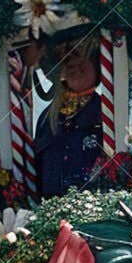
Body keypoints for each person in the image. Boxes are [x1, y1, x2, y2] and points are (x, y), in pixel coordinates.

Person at [33, 34, 107, 196]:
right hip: (49, 205)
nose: (75, 70)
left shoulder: (106, 113)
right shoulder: (47, 117)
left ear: (96, 69)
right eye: (69, 65)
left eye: (81, 64)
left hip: (94, 206)